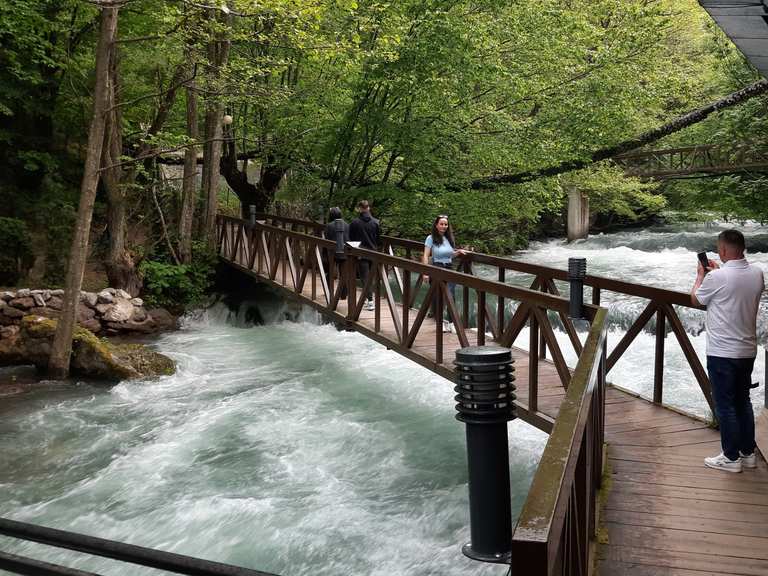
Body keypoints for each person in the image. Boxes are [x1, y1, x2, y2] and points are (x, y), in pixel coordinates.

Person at [691, 229, 764, 473]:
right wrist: (715, 275)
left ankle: (730, 458)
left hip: (722, 351)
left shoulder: (717, 277)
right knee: (743, 401)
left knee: (725, 405)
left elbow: (697, 300)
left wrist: (701, 275)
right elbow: (734, 289)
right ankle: (748, 453)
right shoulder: (757, 273)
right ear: (742, 248)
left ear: (722, 250)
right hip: (747, 349)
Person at [422, 214, 467, 333]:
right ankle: (440, 322)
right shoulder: (430, 238)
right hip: (437, 268)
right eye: (441, 224)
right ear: (436, 225)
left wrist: (458, 252)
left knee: (451, 295)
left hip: (449, 267)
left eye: (445, 224)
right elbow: (426, 255)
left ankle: (452, 323)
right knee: (438, 297)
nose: (444, 226)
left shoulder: (449, 238)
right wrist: (425, 272)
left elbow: (450, 254)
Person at [349, 200, 381, 311]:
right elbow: (378, 239)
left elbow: (351, 238)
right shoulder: (376, 222)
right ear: (368, 208)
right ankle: (369, 300)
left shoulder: (354, 223)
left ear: (360, 208)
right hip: (373, 252)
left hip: (361, 253)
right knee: (370, 278)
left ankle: (370, 301)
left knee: (365, 278)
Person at [324, 207, 349, 298]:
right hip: (344, 252)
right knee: (344, 274)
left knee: (330, 272)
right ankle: (343, 294)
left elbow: (327, 238)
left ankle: (329, 292)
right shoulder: (347, 225)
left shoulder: (329, 225)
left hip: (332, 252)